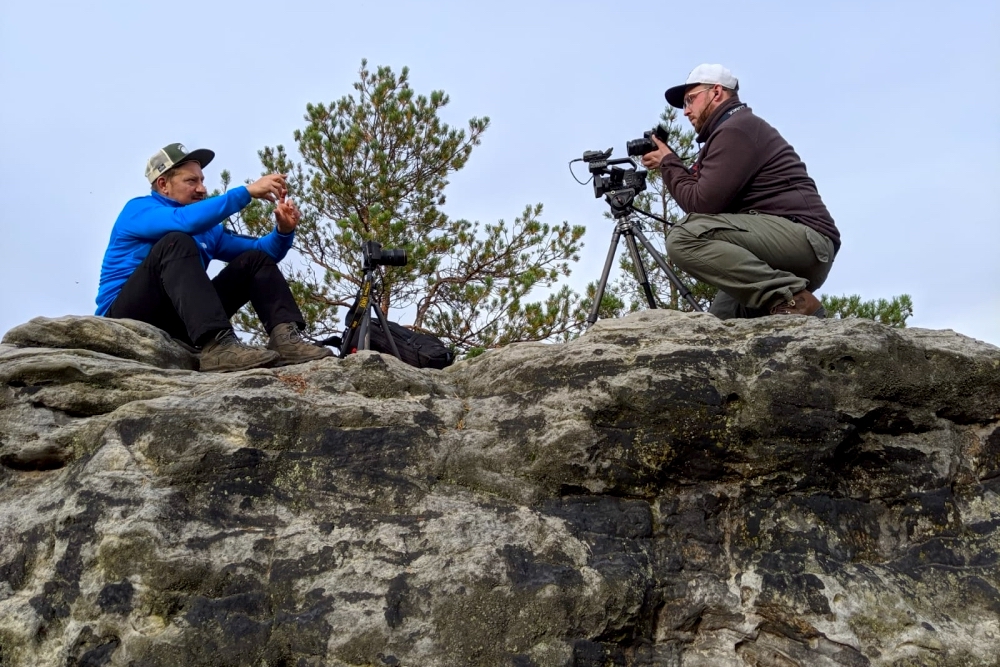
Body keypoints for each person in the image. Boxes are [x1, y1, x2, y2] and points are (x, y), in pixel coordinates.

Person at [96, 142, 333, 372]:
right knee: (175, 241)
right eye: (191, 181)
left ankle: (285, 341)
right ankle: (218, 344)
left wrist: (283, 232)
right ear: (163, 184)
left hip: (179, 324)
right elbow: (184, 222)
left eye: (202, 180)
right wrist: (247, 191)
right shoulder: (139, 210)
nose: (201, 188)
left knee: (254, 260)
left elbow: (265, 253)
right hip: (125, 319)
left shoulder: (208, 231)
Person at [641, 64, 841, 319]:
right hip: (783, 247)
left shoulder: (737, 128)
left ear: (716, 92)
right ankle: (789, 306)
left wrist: (669, 162)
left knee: (682, 237)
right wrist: (672, 163)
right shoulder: (730, 132)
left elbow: (700, 204)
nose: (686, 111)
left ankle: (792, 299)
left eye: (690, 100)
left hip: (806, 239)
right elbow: (707, 195)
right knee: (720, 324)